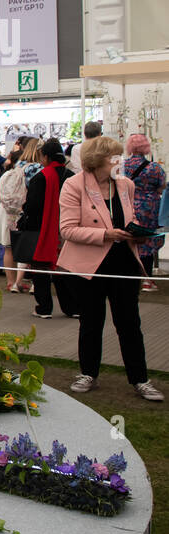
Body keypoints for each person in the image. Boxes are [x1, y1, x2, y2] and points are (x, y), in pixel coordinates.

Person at [59, 136, 161, 401]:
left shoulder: (126, 185)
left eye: (120, 156)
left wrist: (137, 231)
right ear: (98, 160)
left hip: (123, 262)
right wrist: (106, 234)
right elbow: (67, 229)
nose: (121, 161)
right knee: (91, 320)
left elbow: (129, 218)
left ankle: (140, 379)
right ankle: (88, 373)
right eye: (115, 157)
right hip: (90, 264)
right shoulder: (73, 184)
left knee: (129, 322)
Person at [15, 138, 75, 318]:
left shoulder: (40, 177)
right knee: (64, 269)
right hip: (66, 229)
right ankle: (72, 307)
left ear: (46, 157)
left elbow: (32, 206)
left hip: (41, 230)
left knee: (40, 268)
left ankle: (44, 307)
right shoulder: (71, 176)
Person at [0, 137, 41, 293]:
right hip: (24, 212)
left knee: (8, 248)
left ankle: (11, 282)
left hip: (6, 210)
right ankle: (23, 282)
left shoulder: (10, 172)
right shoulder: (36, 169)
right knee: (28, 248)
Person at [122, 133, 165, 291]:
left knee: (130, 239)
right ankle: (147, 280)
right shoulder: (154, 168)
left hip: (128, 205)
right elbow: (162, 187)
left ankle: (131, 276)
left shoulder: (123, 166)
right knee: (147, 241)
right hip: (150, 208)